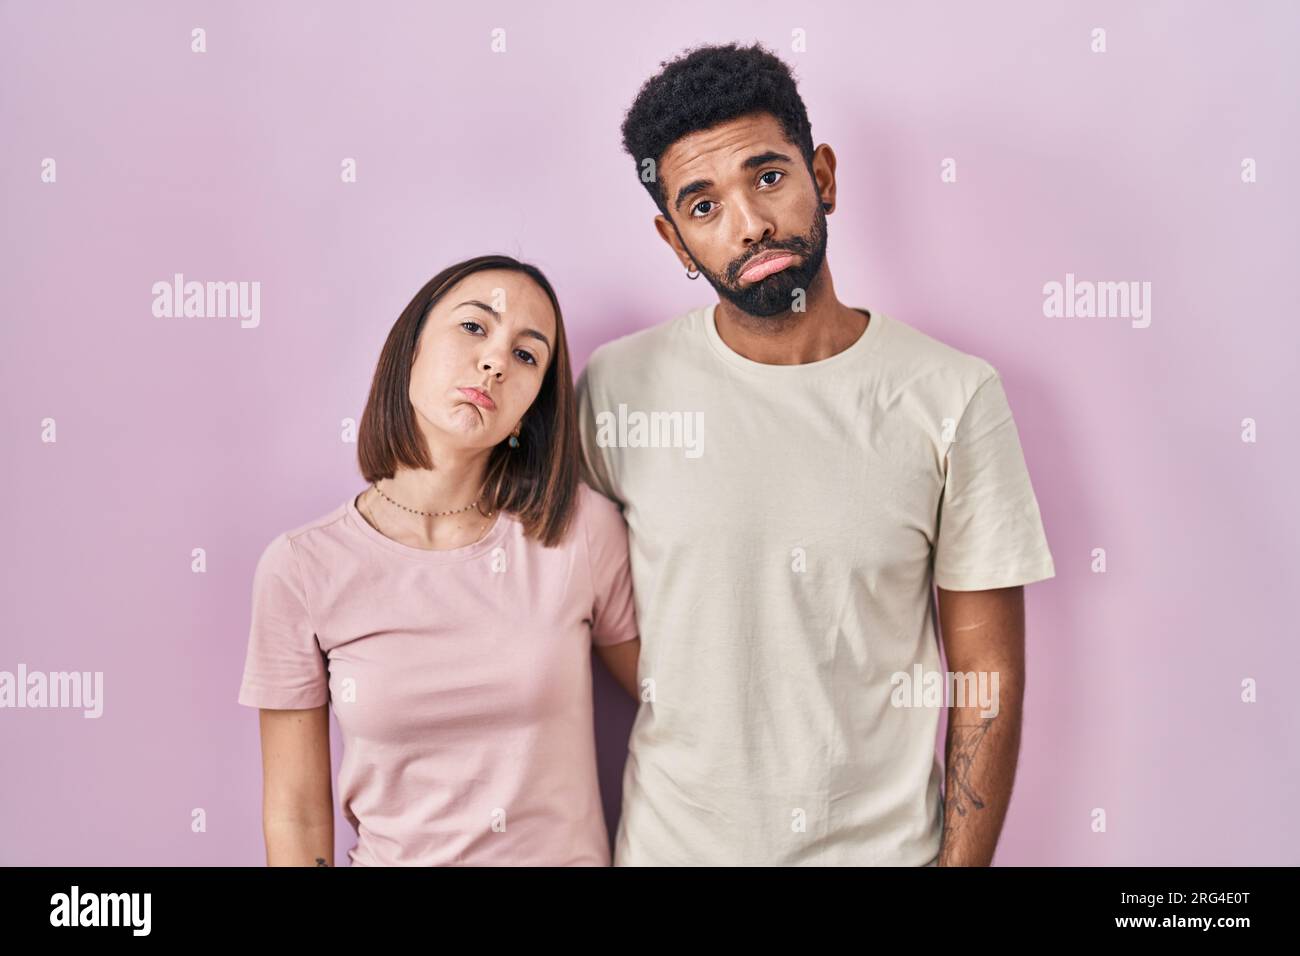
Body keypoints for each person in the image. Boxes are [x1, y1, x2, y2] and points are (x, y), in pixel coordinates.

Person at [576, 43, 1055, 866]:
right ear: (674, 241)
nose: (751, 224)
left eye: (768, 177)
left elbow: (985, 687)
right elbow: (575, 599)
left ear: (821, 176)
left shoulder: (952, 395)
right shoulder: (618, 387)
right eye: (703, 206)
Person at [238, 254, 641, 866]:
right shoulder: (300, 568)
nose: (495, 362)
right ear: (412, 348)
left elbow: (671, 697)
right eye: (474, 327)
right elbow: (295, 811)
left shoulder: (579, 530)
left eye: (527, 354)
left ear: (531, 407)